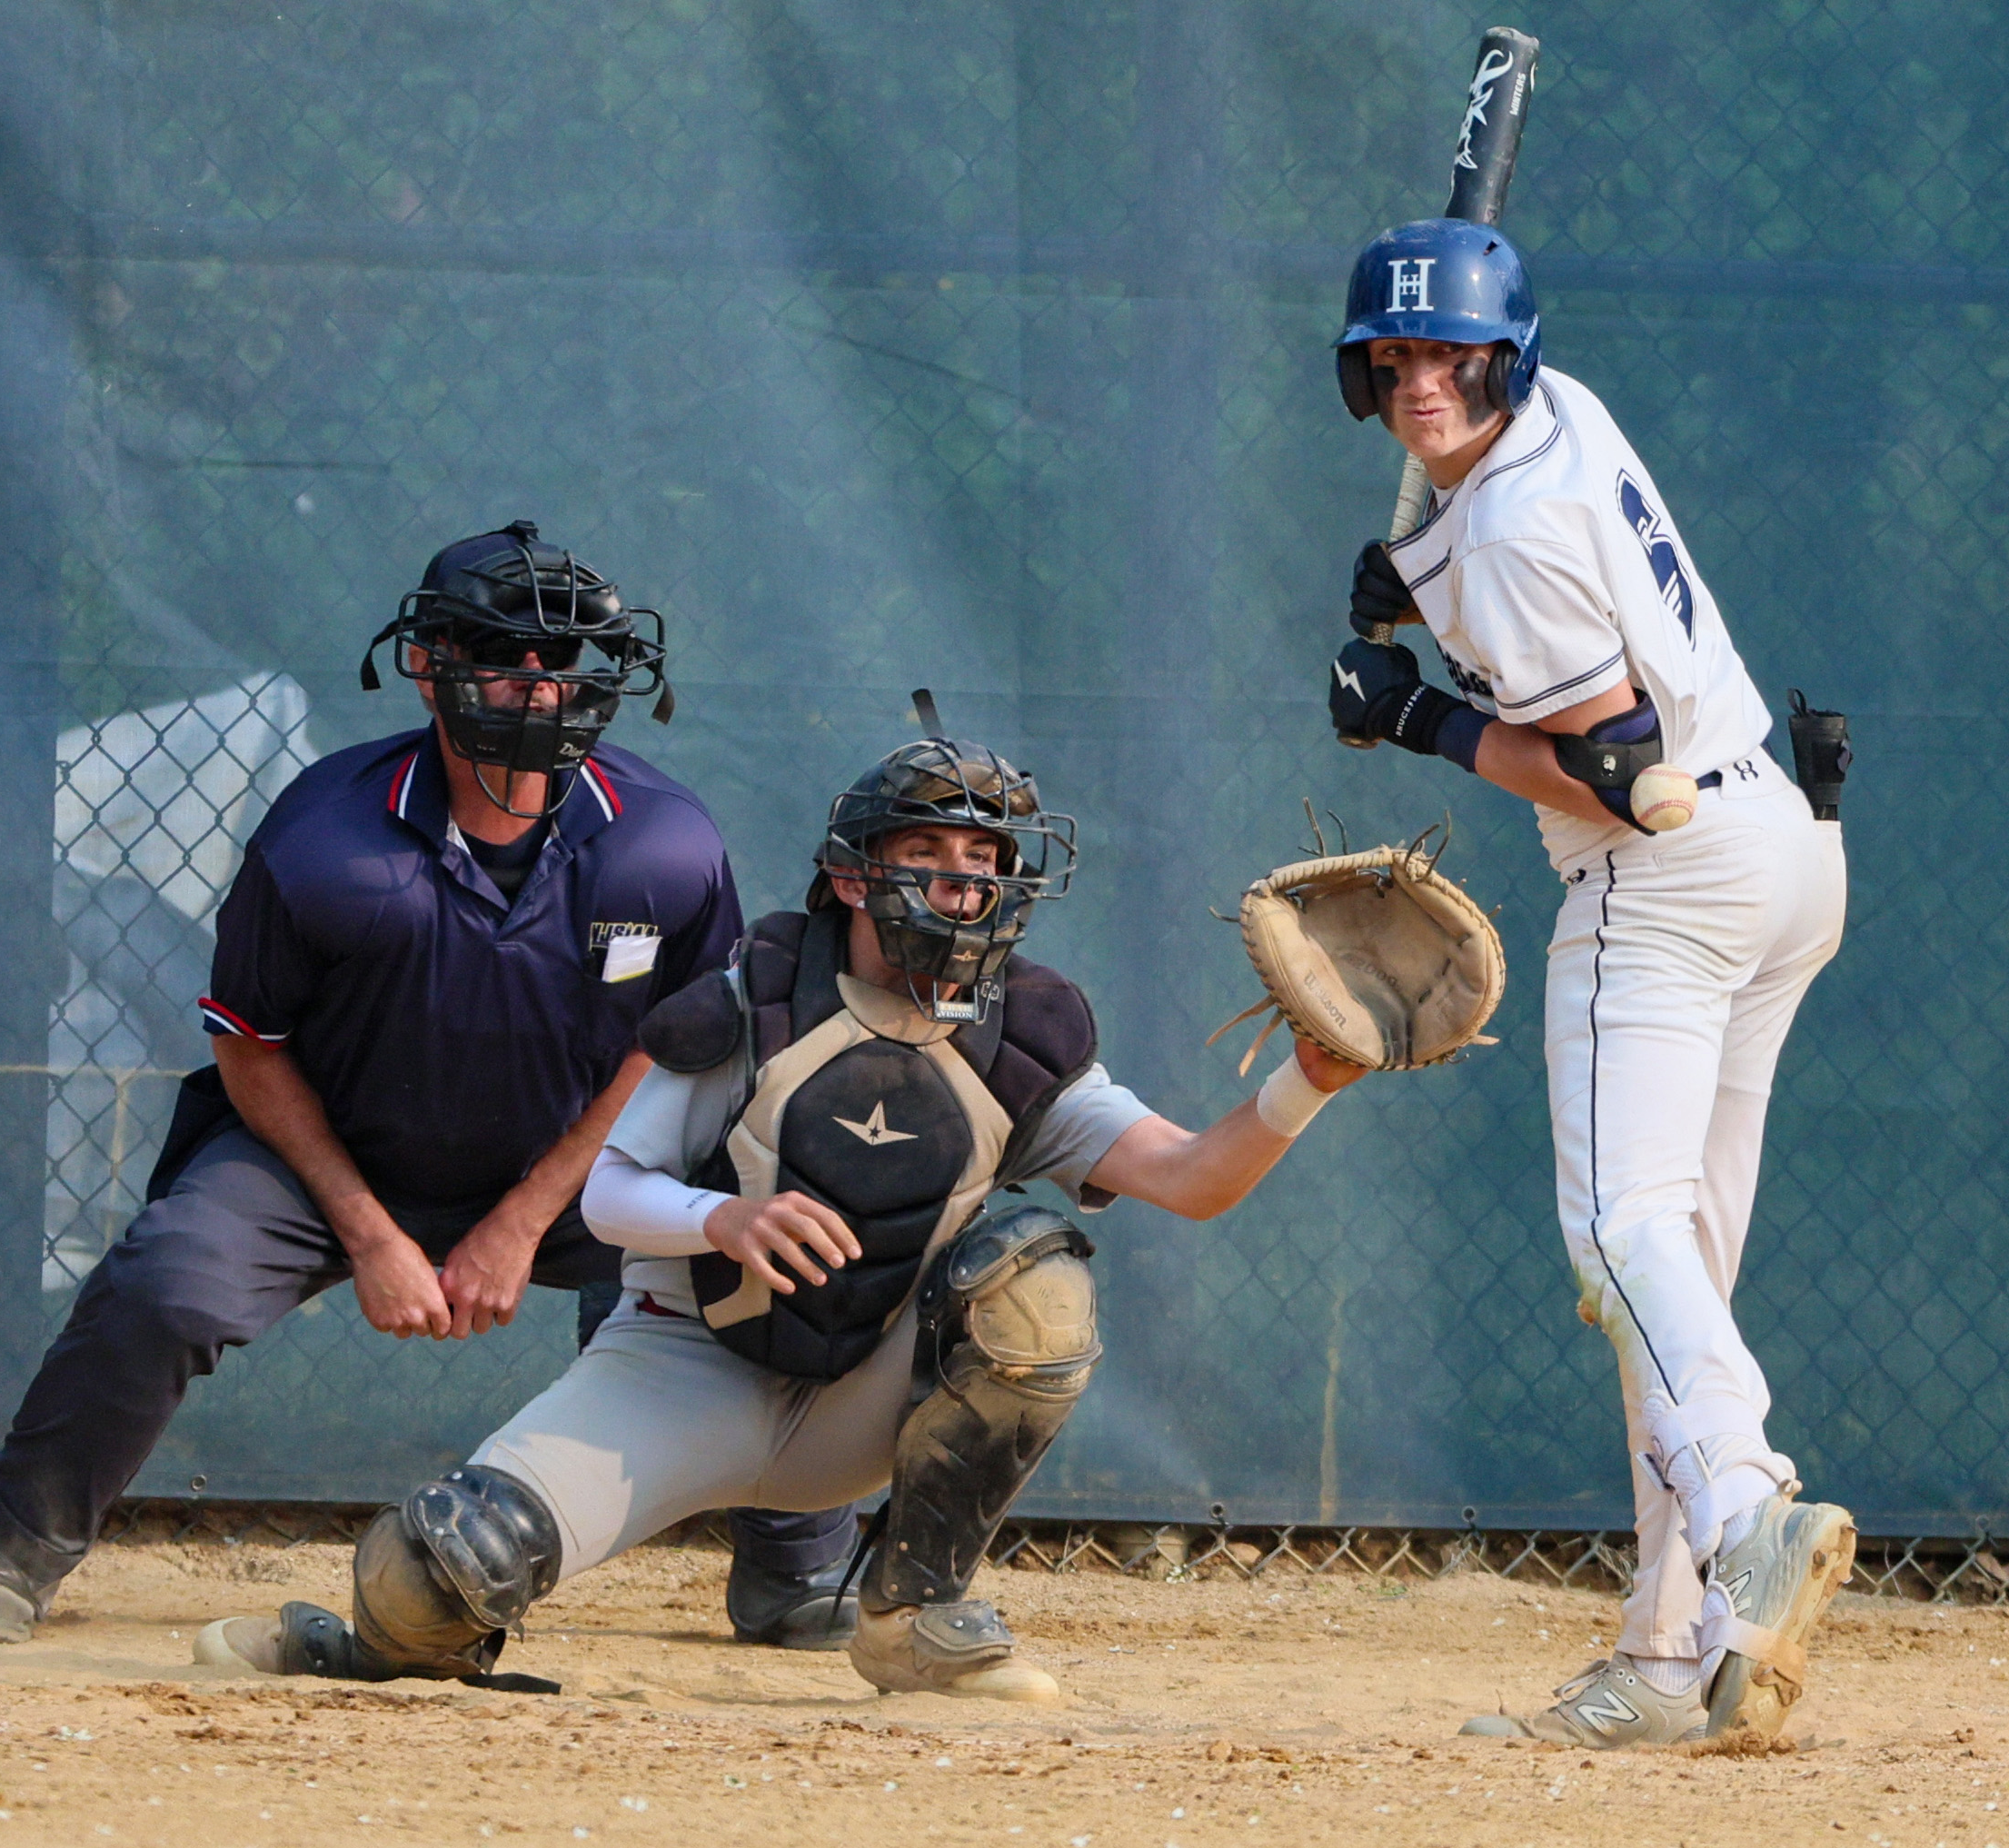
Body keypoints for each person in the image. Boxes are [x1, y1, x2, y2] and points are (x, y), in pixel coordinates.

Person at [195, 703, 1365, 1702]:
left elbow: (1192, 1180)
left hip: (861, 1395)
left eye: (984, 858)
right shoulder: (755, 999)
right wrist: (724, 1219)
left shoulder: (1023, 1034)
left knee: (1035, 1282)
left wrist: (1306, 1081)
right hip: (681, 1367)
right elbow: (608, 1194)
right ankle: (359, 1647)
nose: (962, 880)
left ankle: (914, 1617)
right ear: (852, 874)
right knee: (439, 1571)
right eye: (927, 850)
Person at [0, 521, 856, 1651]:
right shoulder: (325, 834)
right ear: (425, 663)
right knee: (169, 1281)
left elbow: (668, 1051)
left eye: (560, 657)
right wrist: (369, 1234)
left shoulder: (663, 842)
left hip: (571, 1171)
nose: (536, 681)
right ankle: (2, 1550)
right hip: (332, 1158)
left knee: (765, 1253)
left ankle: (801, 1572)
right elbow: (251, 1047)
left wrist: (522, 1219)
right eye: (500, 652)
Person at [1323, 220, 1854, 1746]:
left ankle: (1745, 1508)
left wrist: (1414, 716)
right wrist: (1423, 577)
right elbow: (1510, 539)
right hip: (1787, 854)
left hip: (1663, 876)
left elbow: (1616, 768)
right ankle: (1675, 1651)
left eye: (1450, 356)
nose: (1421, 385)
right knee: (1673, 1276)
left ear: (1507, 358)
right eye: (1394, 360)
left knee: (1618, 1235)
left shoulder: (1503, 533)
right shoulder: (1560, 418)